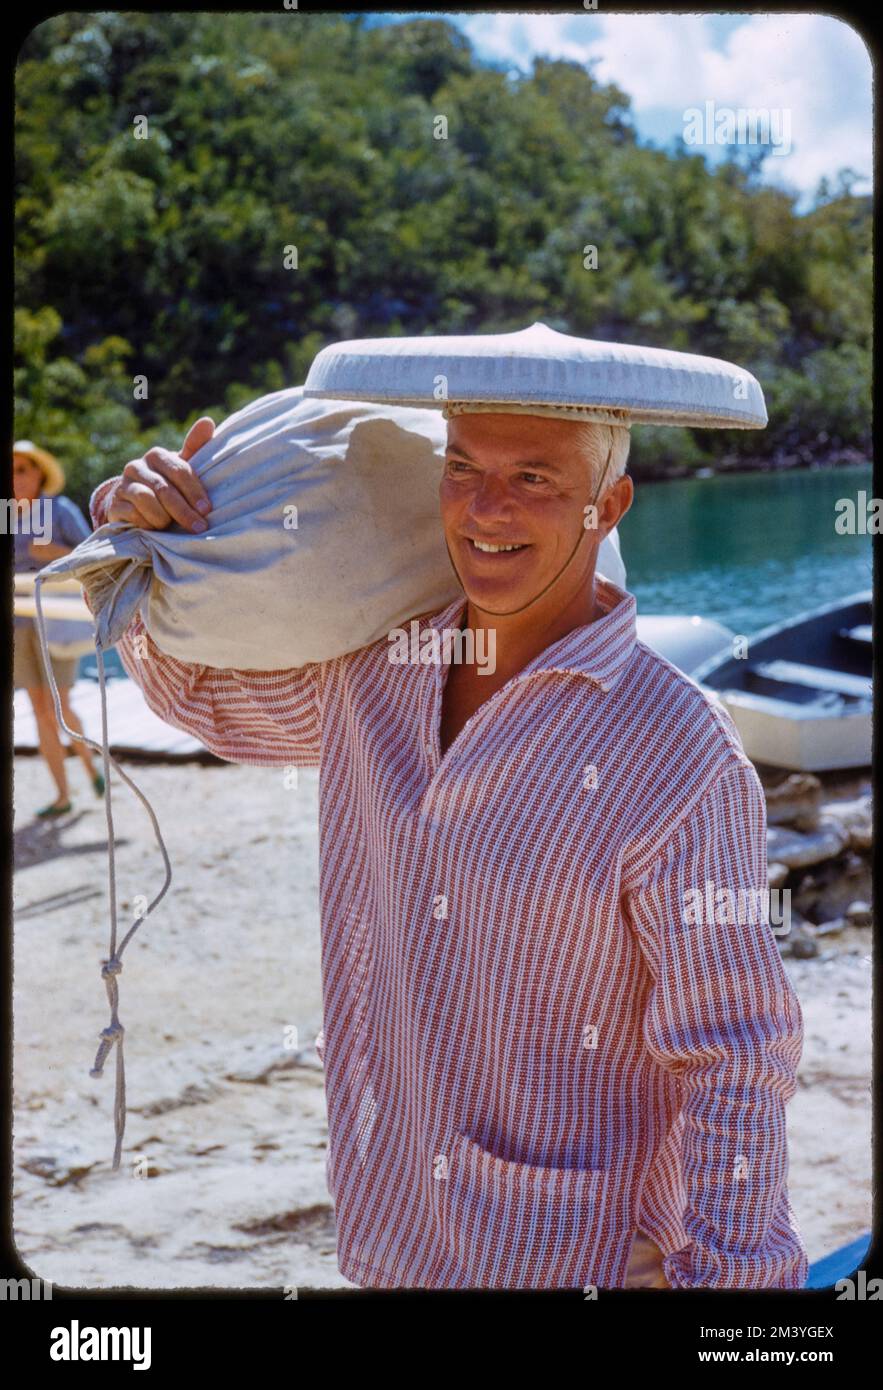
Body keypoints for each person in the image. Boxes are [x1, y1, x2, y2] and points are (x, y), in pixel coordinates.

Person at [87, 335, 807, 1292]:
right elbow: (202, 702)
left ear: (611, 505)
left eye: (534, 478)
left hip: (582, 1261)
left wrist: (735, 1296)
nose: (485, 508)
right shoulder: (370, 673)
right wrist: (137, 550)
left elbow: (734, 1051)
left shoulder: (679, 752)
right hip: (393, 1245)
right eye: (463, 467)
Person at [13, 441, 105, 817]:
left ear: (40, 473)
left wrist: (53, 552)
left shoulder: (59, 509)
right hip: (19, 621)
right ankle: (62, 796)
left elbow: (95, 556)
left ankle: (90, 766)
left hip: (57, 619)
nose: (15, 478)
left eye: (22, 469)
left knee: (60, 706)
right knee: (38, 707)